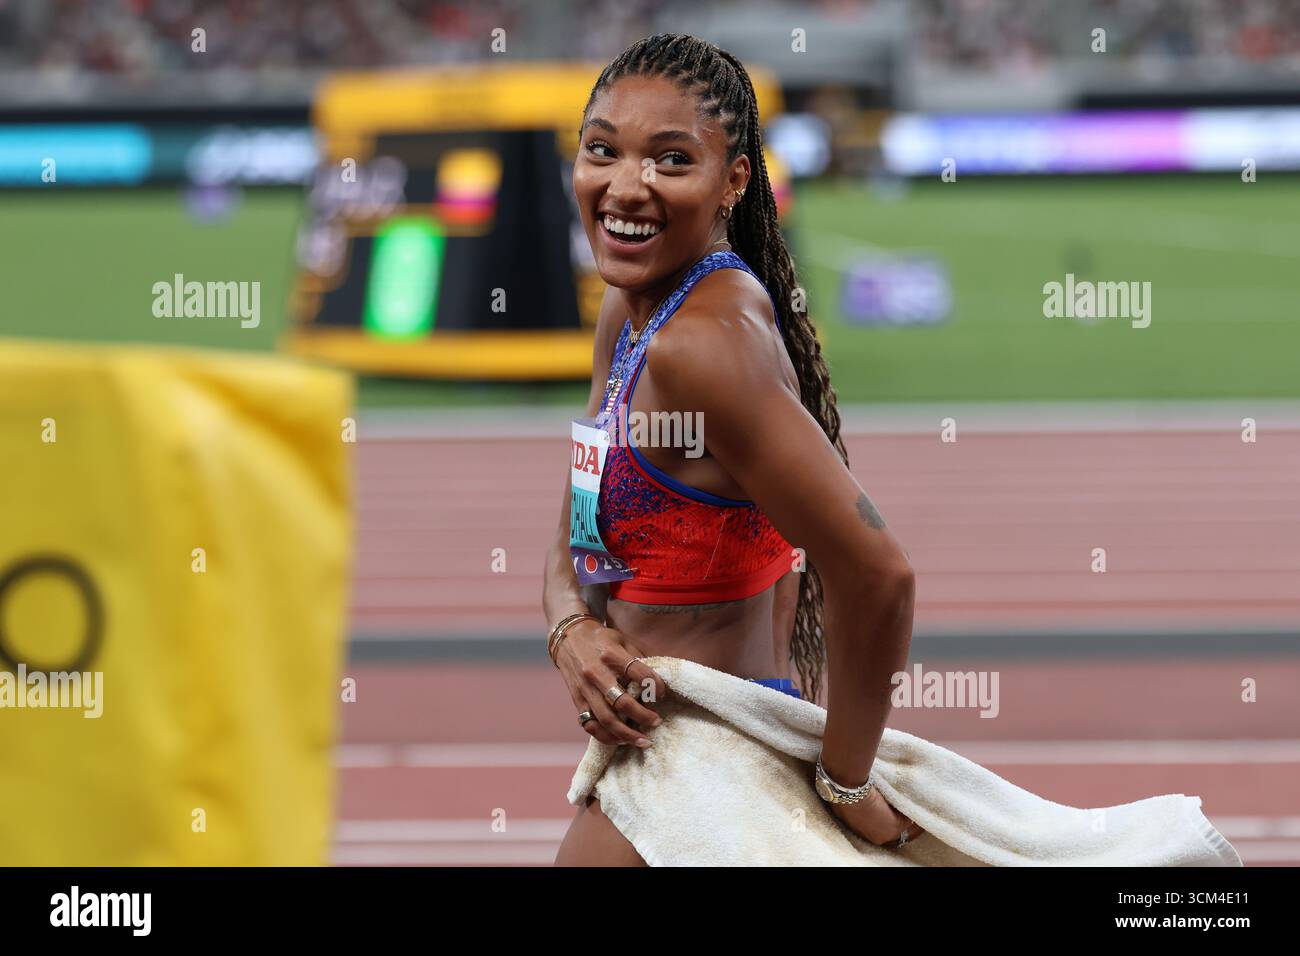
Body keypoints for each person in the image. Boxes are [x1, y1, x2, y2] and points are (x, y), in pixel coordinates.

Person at [543, 34, 922, 866]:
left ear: (734, 180)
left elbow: (878, 572)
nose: (624, 186)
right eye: (602, 149)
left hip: (706, 774)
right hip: (657, 760)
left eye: (671, 160)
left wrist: (846, 780)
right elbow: (580, 519)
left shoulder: (701, 347)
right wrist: (569, 625)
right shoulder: (633, 310)